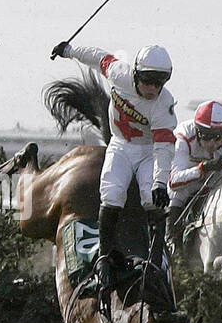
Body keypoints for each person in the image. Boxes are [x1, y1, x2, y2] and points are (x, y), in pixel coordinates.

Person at [50, 40, 177, 294]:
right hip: (120, 145)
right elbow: (96, 56)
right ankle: (103, 259)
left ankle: (155, 260)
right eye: (148, 80)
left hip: (147, 151)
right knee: (112, 194)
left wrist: (160, 182)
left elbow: (164, 147)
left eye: (159, 82)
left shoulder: (164, 103)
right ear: (135, 74)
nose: (152, 88)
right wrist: (69, 50)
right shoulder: (119, 73)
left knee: (151, 199)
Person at [166, 100, 222, 254]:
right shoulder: (183, 136)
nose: (212, 143)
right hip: (187, 185)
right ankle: (171, 242)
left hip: (217, 183)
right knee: (176, 196)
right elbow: (173, 181)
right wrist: (203, 168)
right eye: (206, 136)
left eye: (218, 137)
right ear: (197, 131)